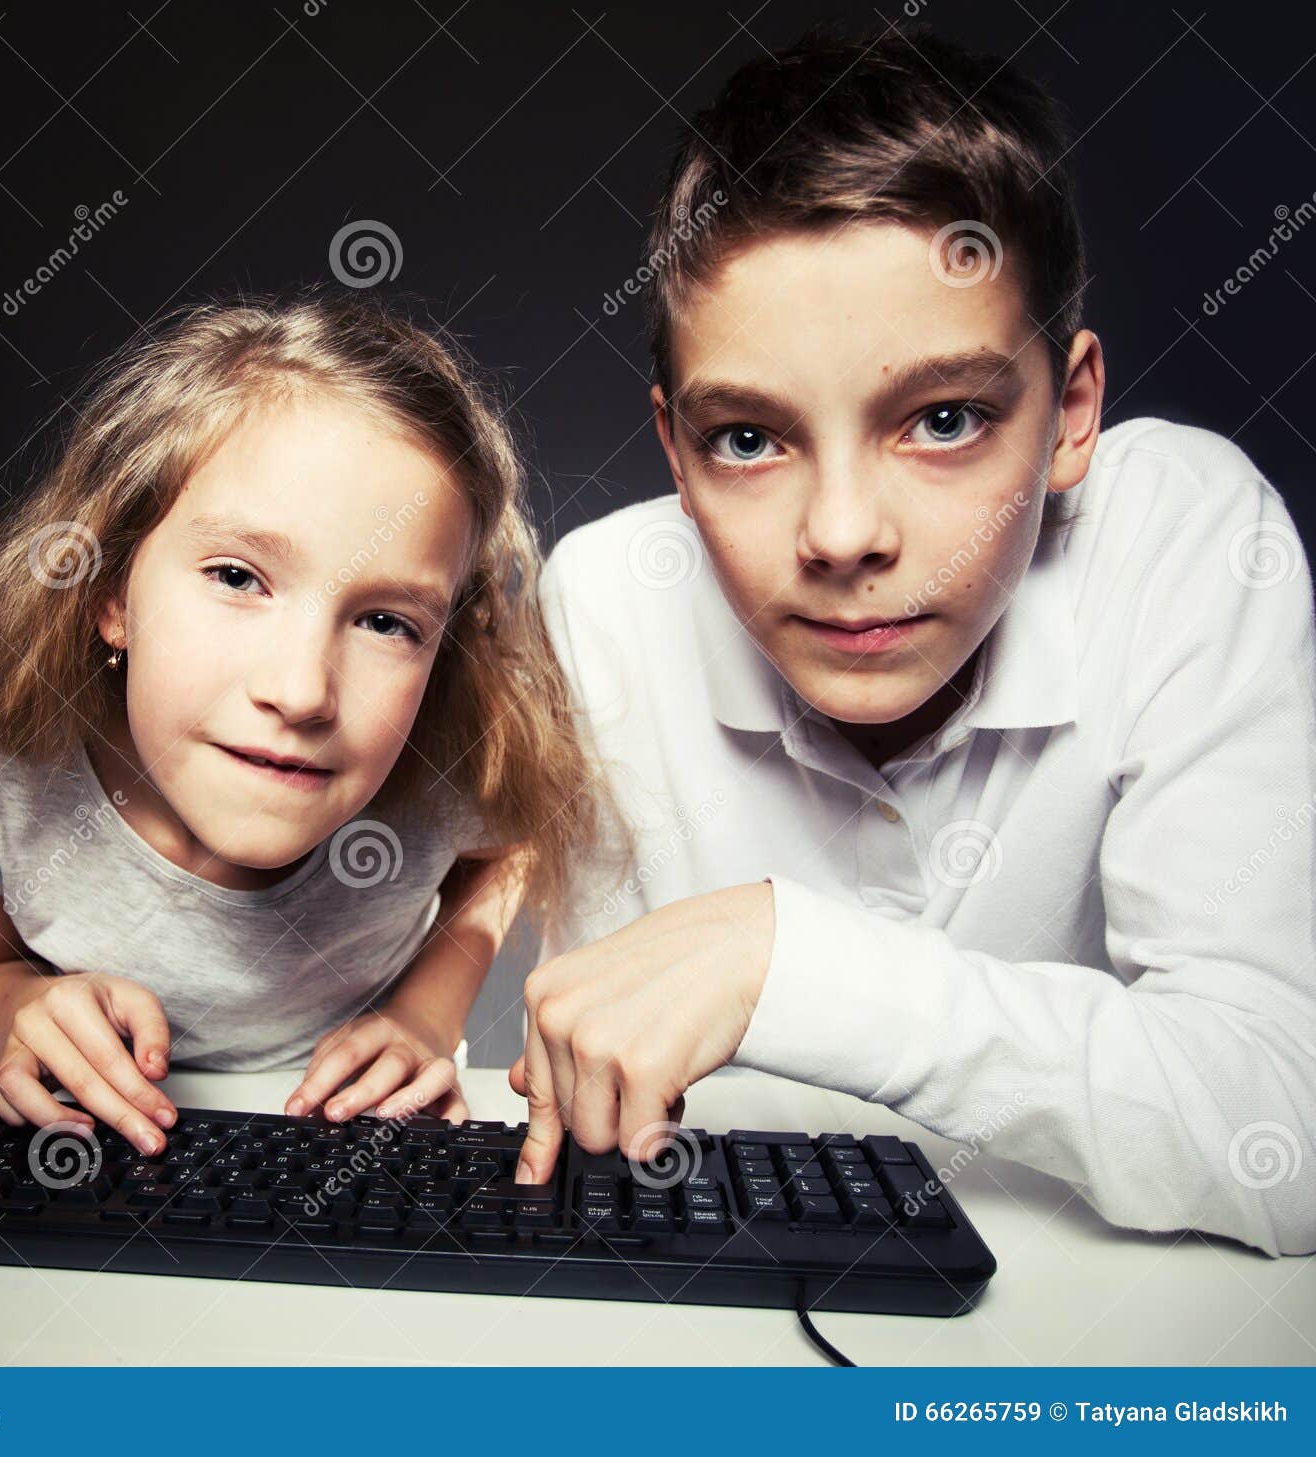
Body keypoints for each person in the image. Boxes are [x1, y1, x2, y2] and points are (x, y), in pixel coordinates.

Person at [511, 26, 1316, 1257]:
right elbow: (615, 1118)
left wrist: (792, 959)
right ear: (673, 450)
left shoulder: (1184, 537)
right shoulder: (611, 597)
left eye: (943, 419)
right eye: (747, 439)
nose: (841, 534)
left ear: (1071, 413)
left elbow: (1286, 1135)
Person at [0, 291, 609, 1157]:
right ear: (110, 592)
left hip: (346, 1153)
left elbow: (509, 847)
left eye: (386, 622)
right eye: (238, 577)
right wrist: (27, 1005)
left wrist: (424, 1015)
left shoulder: (436, 770)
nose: (302, 692)